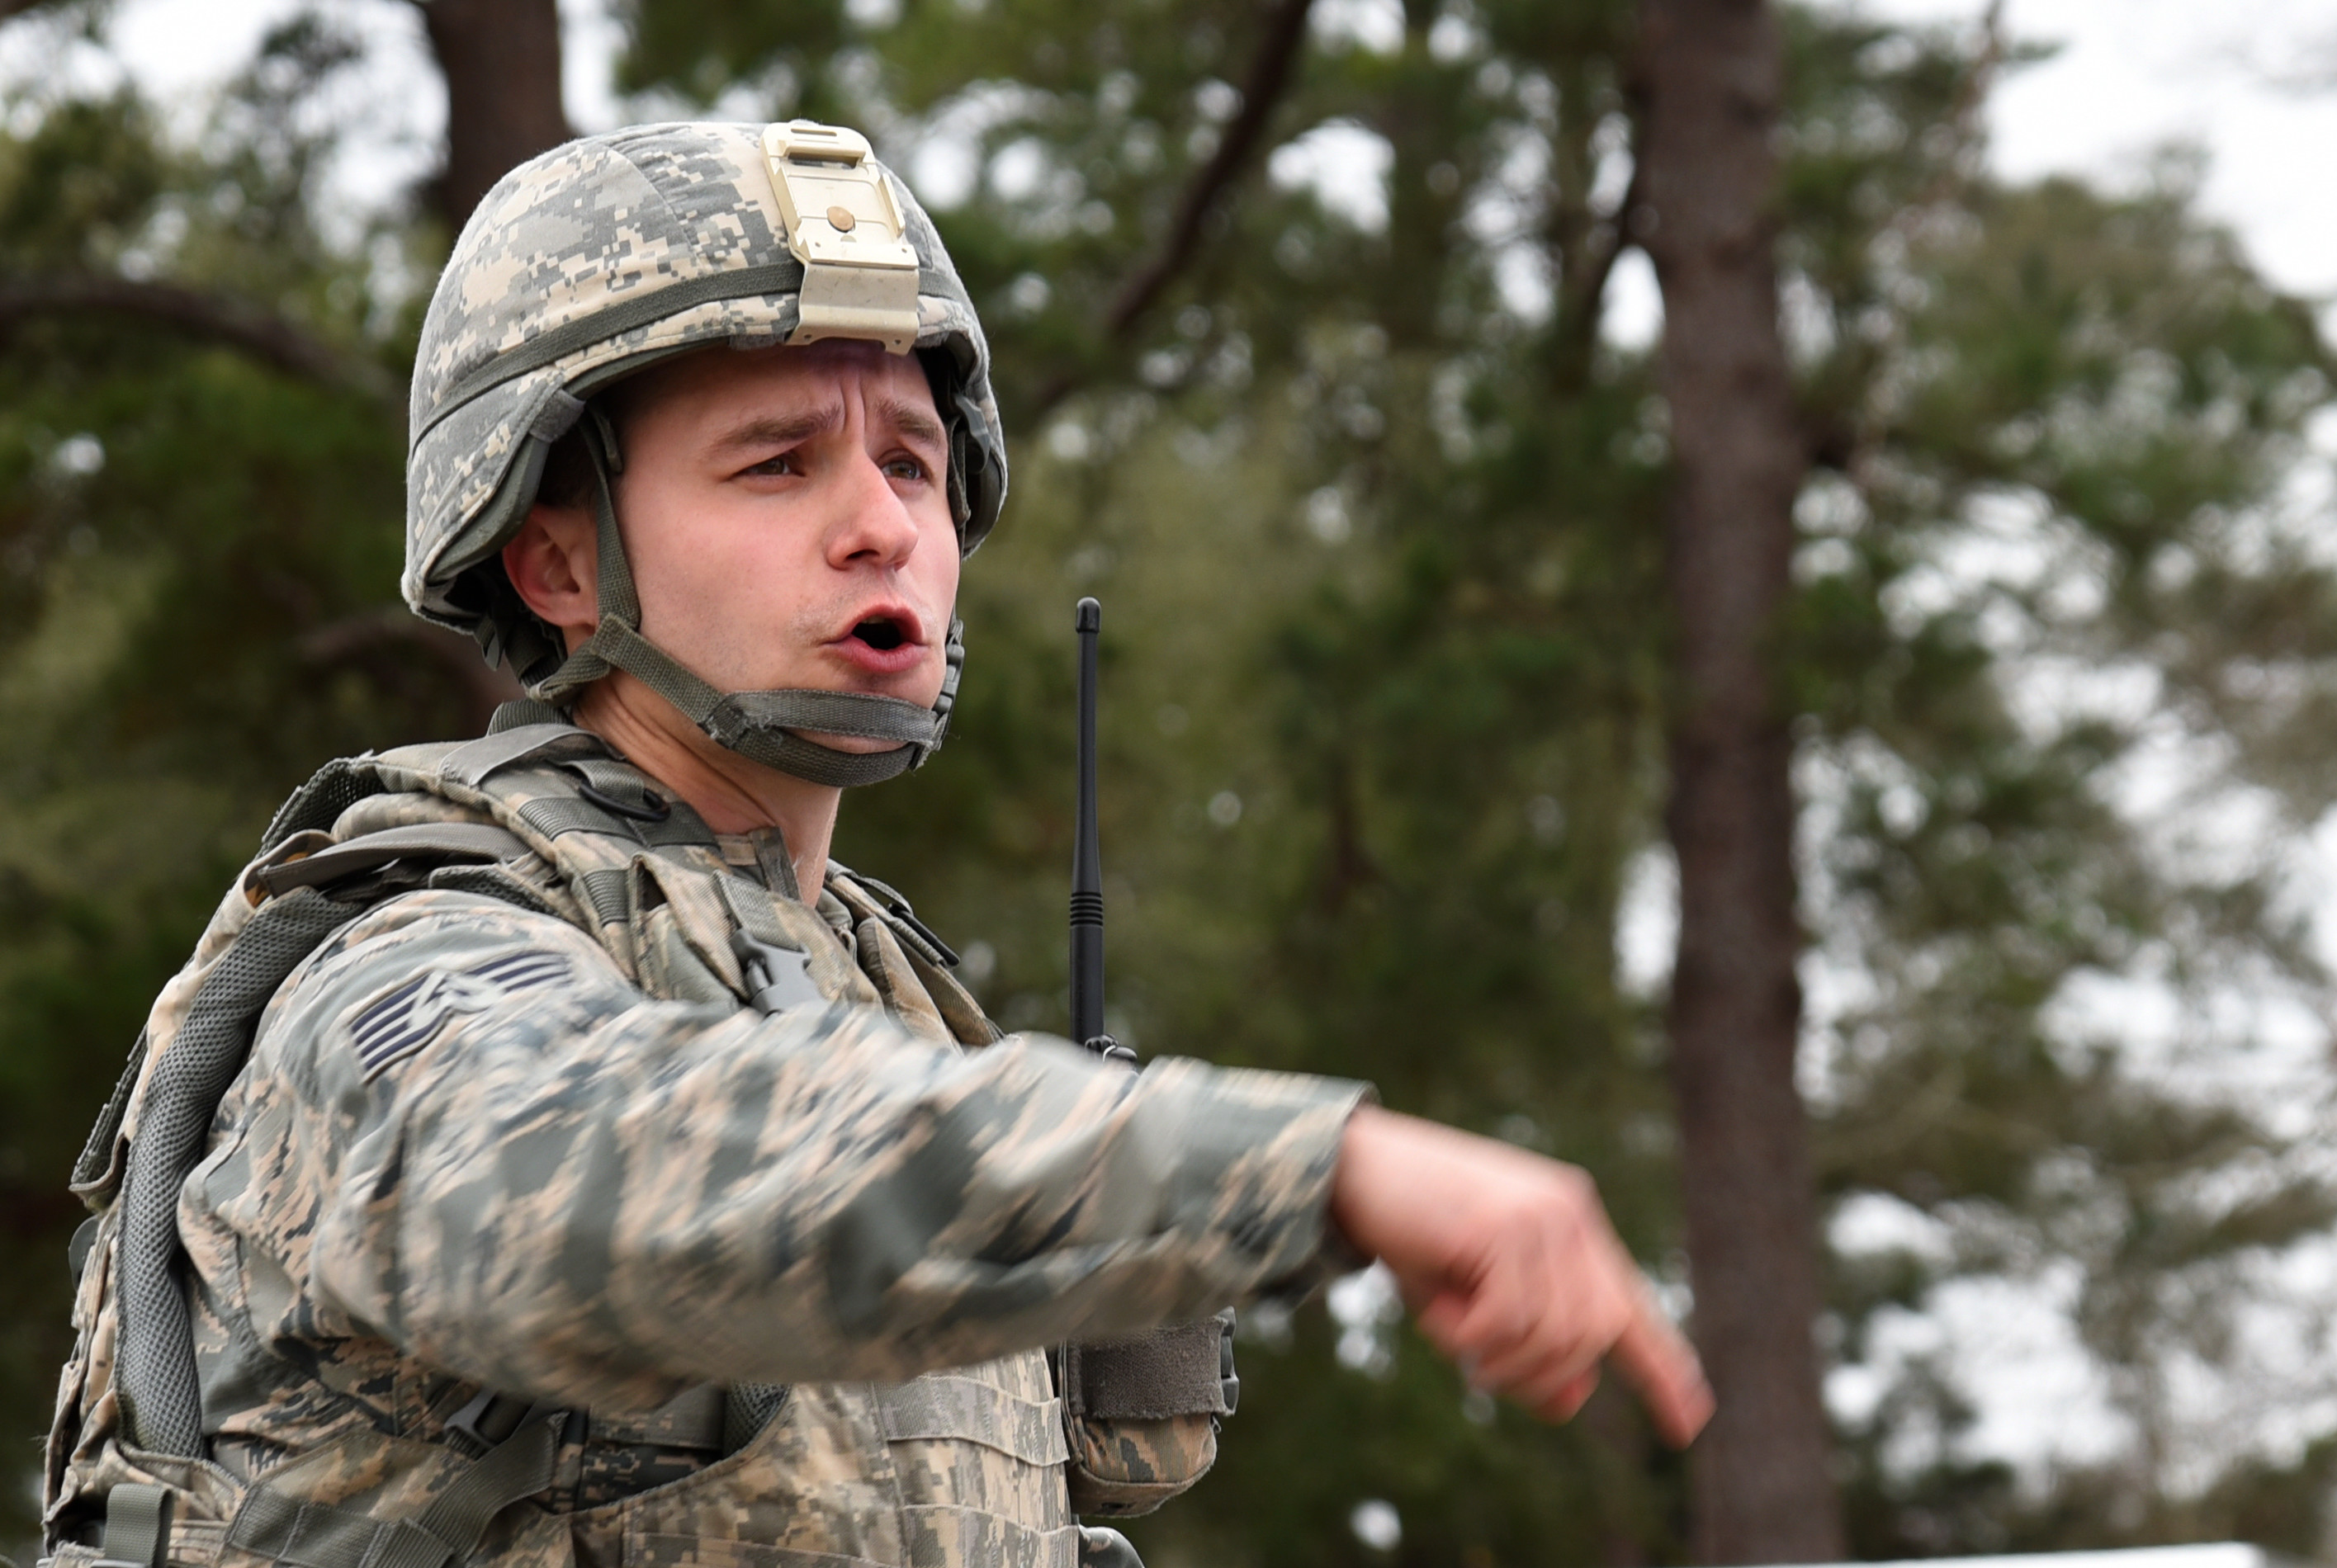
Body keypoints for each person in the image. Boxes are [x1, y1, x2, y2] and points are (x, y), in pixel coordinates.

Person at [40, 120, 1711, 1568]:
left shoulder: (886, 1009)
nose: (880, 522)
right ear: (555, 564)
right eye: (777, 462)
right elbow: (611, 1177)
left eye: (912, 458)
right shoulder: (412, 956)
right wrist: (1307, 1164)